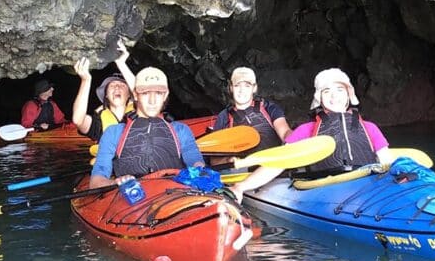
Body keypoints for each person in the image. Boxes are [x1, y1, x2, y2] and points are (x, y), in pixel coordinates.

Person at [228, 67, 395, 202]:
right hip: (326, 191)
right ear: (319, 99)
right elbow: (277, 163)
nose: (334, 96)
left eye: (340, 90)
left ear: (348, 95)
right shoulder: (306, 131)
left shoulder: (370, 128)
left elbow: (387, 162)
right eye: (327, 91)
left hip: (368, 188)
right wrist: (240, 187)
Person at [90, 66, 206, 188]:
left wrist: (200, 169)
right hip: (131, 198)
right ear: (135, 95)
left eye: (158, 93)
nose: (152, 101)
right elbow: (96, 181)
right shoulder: (113, 133)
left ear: (165, 95)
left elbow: (196, 162)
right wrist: (114, 182)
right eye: (145, 93)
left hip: (174, 194)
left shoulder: (181, 130)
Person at [213, 67, 290, 151]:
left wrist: (291, 140)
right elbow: (215, 160)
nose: (241, 90)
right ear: (231, 88)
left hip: (273, 160)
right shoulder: (223, 117)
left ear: (254, 88)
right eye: (237, 85)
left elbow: (284, 131)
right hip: (244, 163)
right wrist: (228, 160)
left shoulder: (268, 107)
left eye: (247, 86)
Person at [70, 43, 135, 142]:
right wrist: (85, 80)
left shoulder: (140, 114)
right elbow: (78, 120)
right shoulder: (98, 122)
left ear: (129, 94)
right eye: (112, 86)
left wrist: (121, 64)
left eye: (122, 85)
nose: (117, 87)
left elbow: (142, 93)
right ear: (106, 95)